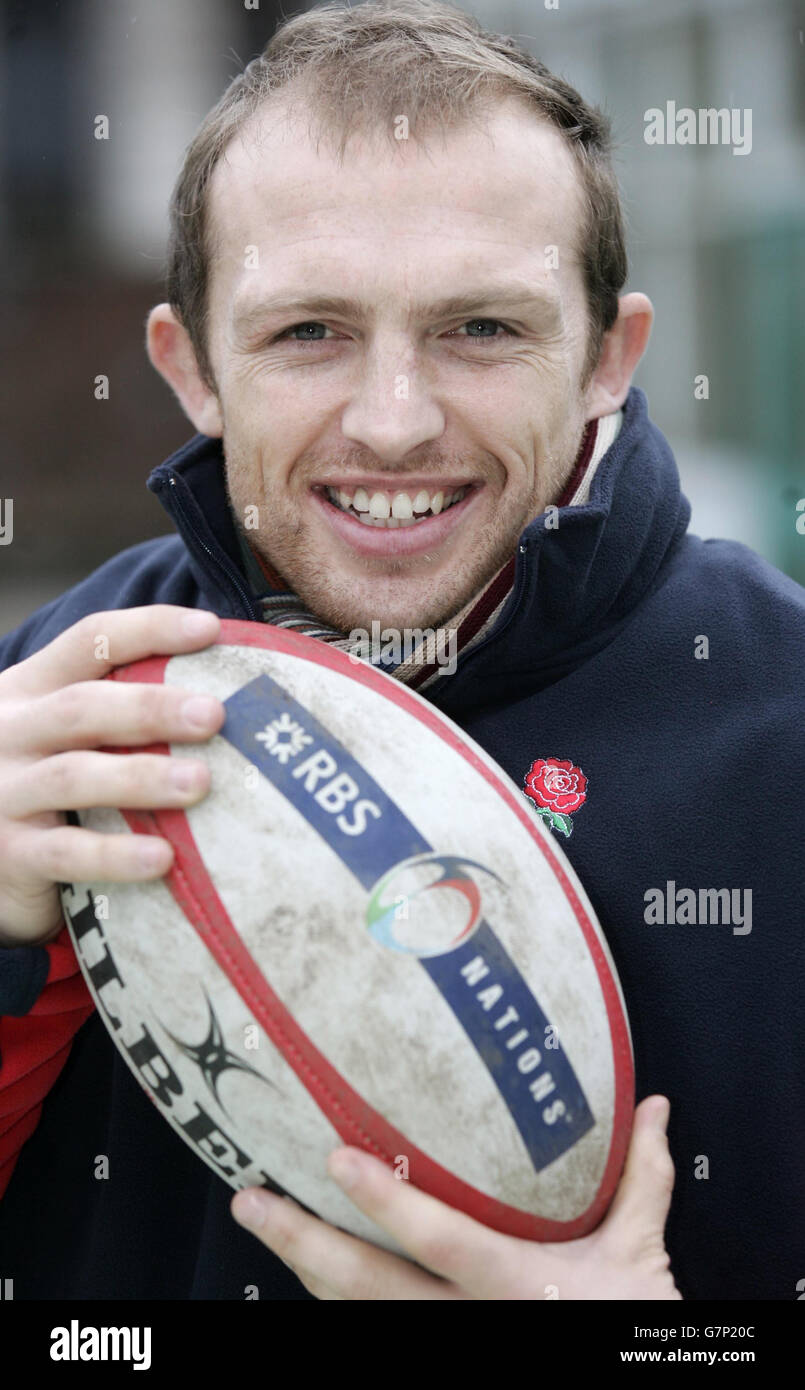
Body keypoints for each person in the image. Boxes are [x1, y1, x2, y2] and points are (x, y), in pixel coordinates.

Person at [0, 0, 801, 1301]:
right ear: (192, 366)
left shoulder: (780, 733)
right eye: (307, 332)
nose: (391, 421)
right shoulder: (57, 703)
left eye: (480, 329)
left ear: (608, 355)